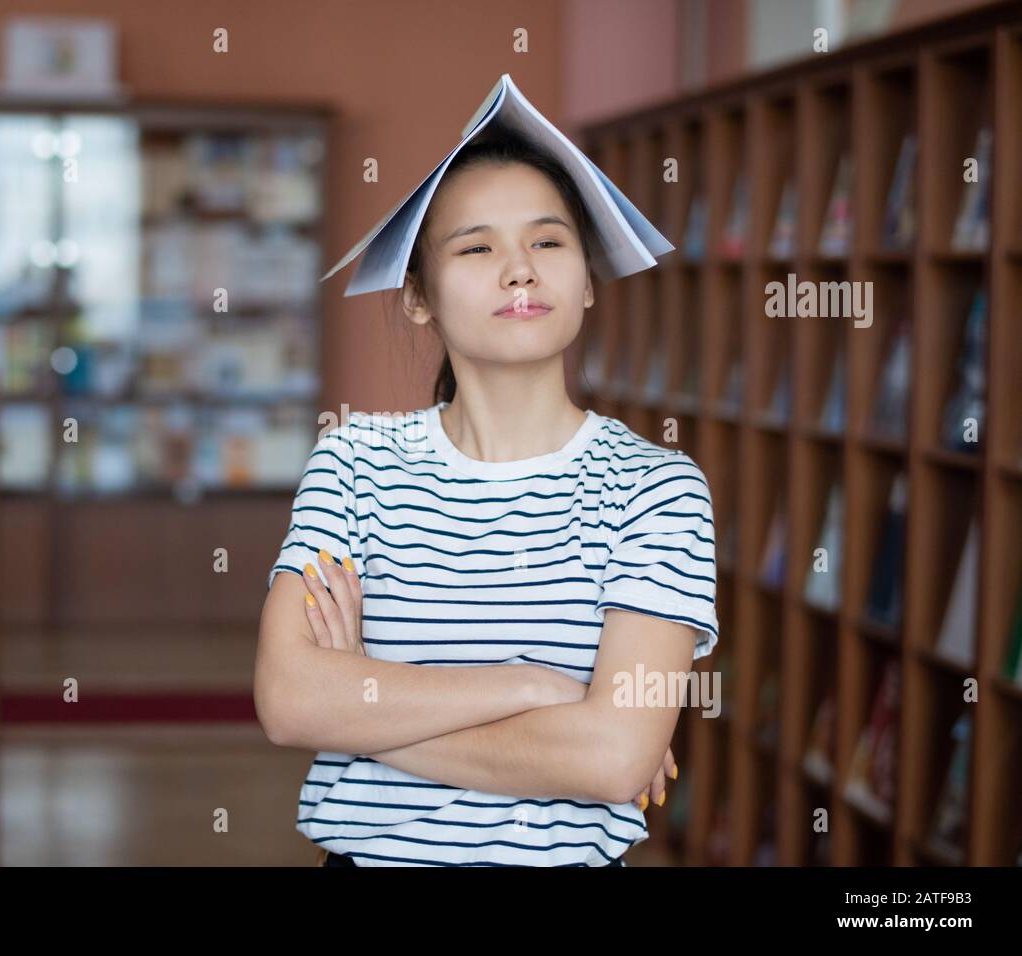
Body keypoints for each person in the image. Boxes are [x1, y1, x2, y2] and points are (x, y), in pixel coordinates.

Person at [255, 128, 718, 867]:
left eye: (549, 243)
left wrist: (363, 706)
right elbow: (288, 700)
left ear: (589, 280)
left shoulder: (656, 488)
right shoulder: (352, 461)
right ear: (417, 296)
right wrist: (539, 689)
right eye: (476, 248)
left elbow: (614, 760)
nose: (519, 272)